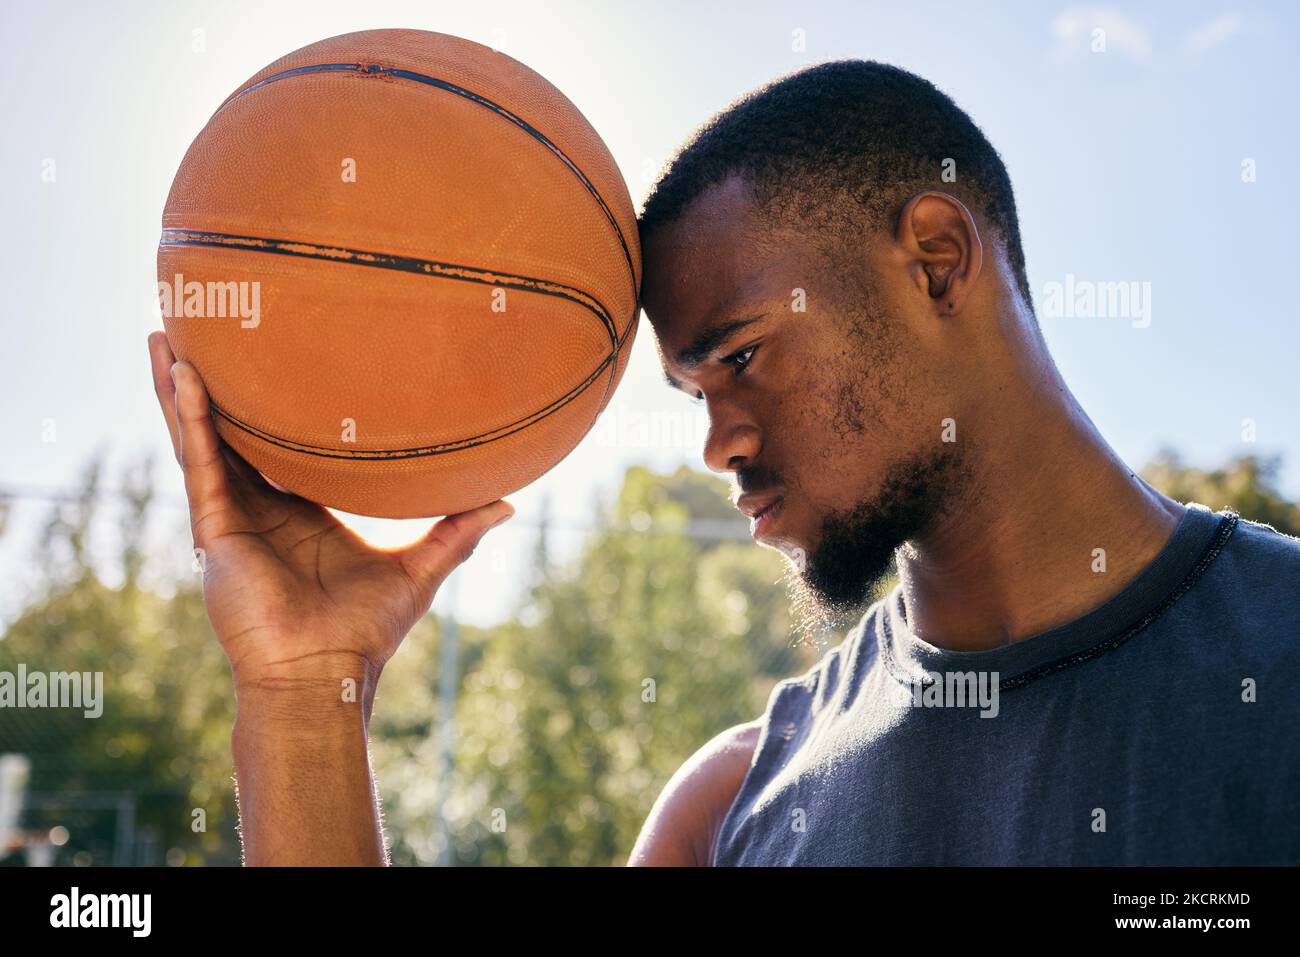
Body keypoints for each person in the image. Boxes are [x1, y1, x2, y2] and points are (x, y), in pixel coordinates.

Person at [149, 60, 1300, 868]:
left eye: (741, 356)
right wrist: (303, 695)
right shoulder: (732, 807)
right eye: (694, 393)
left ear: (938, 261)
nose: (717, 444)